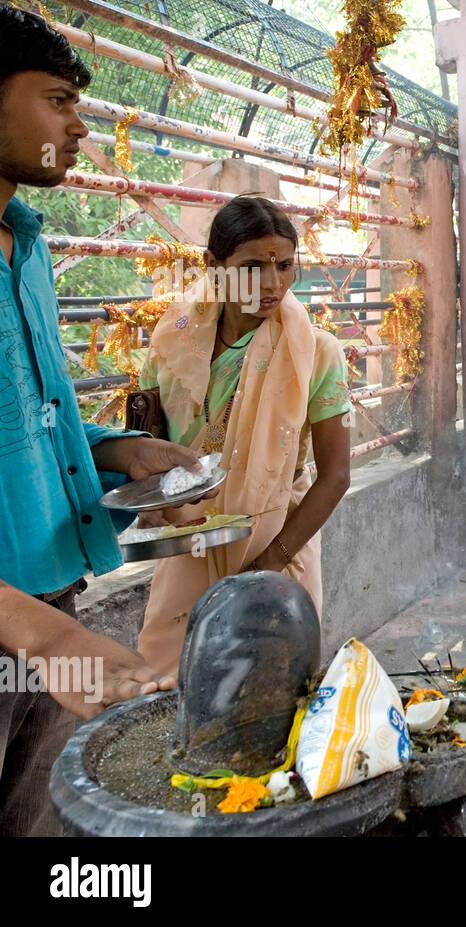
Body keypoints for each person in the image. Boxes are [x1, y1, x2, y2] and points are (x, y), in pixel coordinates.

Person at [0, 6, 183, 836]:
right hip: (24, 620)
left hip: (53, 594)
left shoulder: (27, 246)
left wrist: (121, 453)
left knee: (33, 816)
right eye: (57, 100)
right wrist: (35, 637)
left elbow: (34, 416)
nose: (80, 127)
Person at [135, 197, 353, 676]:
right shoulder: (172, 341)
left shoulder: (316, 354)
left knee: (273, 691)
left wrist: (271, 561)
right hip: (188, 541)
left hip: (278, 544)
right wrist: (153, 507)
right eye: (253, 266)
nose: (273, 283)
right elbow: (146, 444)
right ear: (214, 266)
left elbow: (336, 476)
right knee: (173, 682)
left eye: (286, 266)